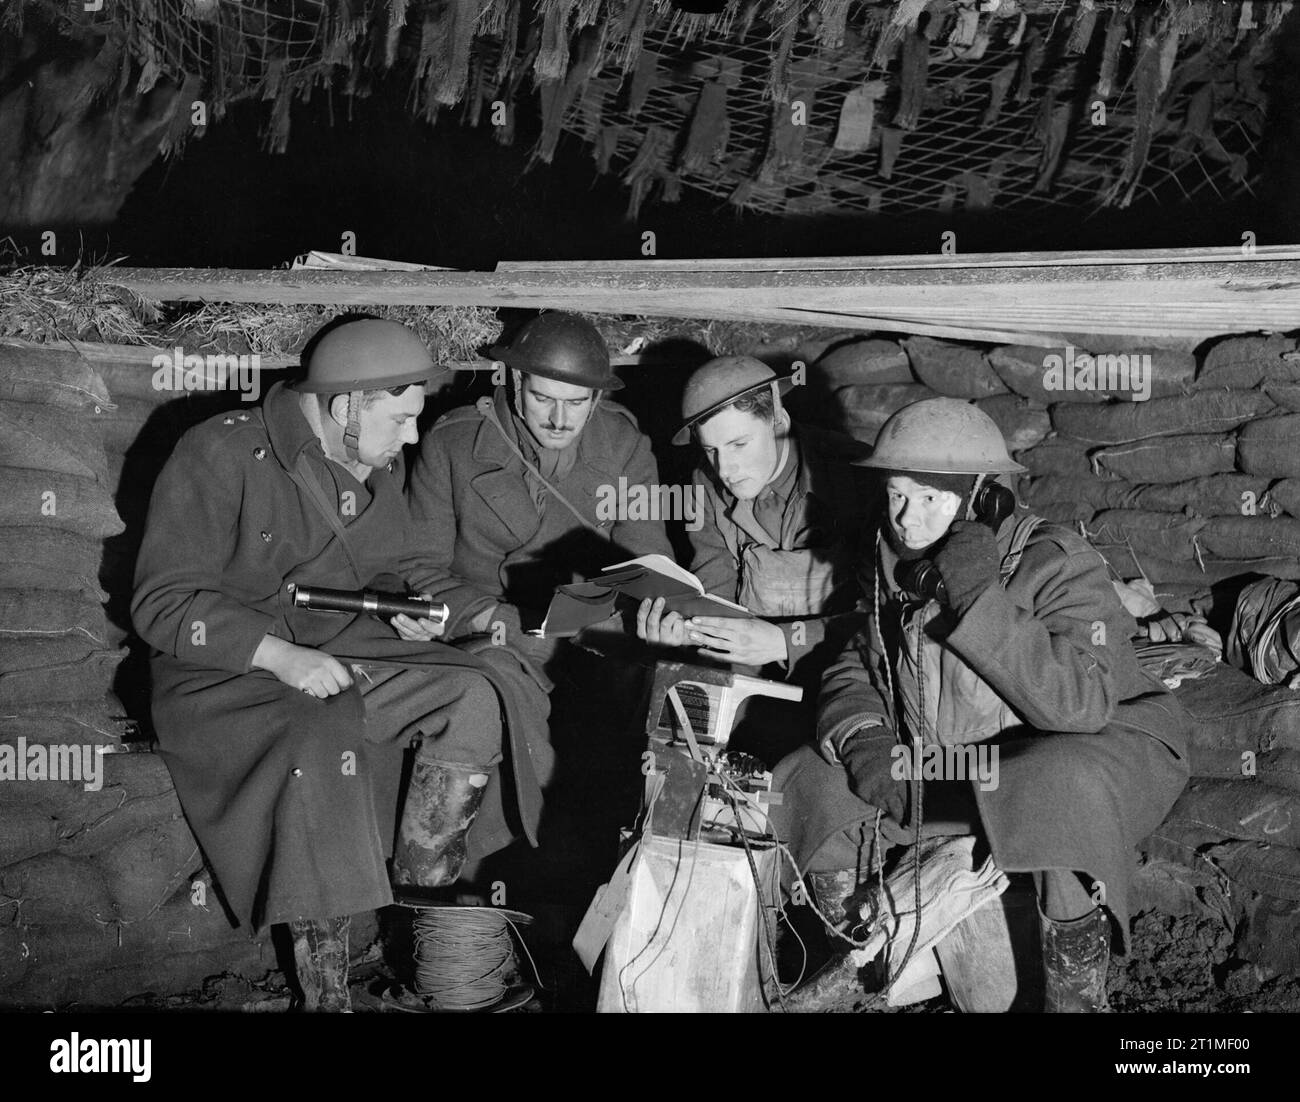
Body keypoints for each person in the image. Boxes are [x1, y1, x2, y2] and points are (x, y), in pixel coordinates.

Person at [132, 318, 545, 1012]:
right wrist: (280, 656)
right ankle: (327, 995)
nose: (412, 439)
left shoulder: (377, 456)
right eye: (402, 420)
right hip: (230, 669)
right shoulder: (220, 451)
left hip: (351, 645)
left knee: (479, 689)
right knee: (320, 730)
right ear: (349, 405)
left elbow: (388, 569)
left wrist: (399, 608)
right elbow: (164, 602)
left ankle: (425, 921)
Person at [778, 397, 1190, 1011]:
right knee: (809, 779)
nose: (907, 521)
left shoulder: (1056, 563)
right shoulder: (892, 565)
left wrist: (979, 598)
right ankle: (855, 965)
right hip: (961, 765)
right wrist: (867, 742)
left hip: (1090, 749)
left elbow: (1078, 705)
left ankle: (1077, 1001)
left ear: (982, 499)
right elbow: (854, 663)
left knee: (1055, 788)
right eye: (896, 495)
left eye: (931, 499)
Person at [635, 355, 874, 765]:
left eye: (739, 444)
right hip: (750, 668)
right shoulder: (705, 484)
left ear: (778, 422)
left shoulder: (855, 476)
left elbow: (885, 618)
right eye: (710, 450)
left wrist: (783, 640)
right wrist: (689, 634)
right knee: (683, 725)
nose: (724, 468)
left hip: (848, 668)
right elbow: (717, 590)